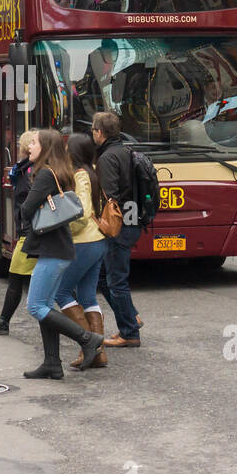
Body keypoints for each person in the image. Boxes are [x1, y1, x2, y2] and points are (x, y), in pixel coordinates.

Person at [19, 129, 104, 379]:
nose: (29, 147)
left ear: (45, 148)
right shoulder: (61, 172)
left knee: (35, 306)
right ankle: (52, 363)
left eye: (34, 143)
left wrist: (25, 185)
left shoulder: (45, 174)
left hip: (52, 249)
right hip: (60, 247)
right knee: (46, 304)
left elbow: (26, 210)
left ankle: (87, 338)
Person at [53, 133, 110, 370]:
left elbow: (82, 212)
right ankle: (98, 354)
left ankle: (90, 345)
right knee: (87, 297)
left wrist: (64, 226)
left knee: (61, 292)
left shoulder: (81, 176)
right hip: (97, 242)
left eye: (68, 148)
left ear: (73, 153)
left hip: (83, 242)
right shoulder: (93, 172)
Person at [0, 129, 39, 335]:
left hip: (30, 235)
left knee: (17, 278)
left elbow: (27, 202)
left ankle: (82, 333)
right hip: (32, 234)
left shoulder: (27, 172)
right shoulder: (26, 170)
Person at [94, 111, 144, 348]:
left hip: (118, 225)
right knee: (104, 275)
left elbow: (110, 196)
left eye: (94, 130)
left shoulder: (106, 158)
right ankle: (130, 315)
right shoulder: (127, 151)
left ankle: (129, 332)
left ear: (99, 132)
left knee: (116, 280)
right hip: (133, 221)